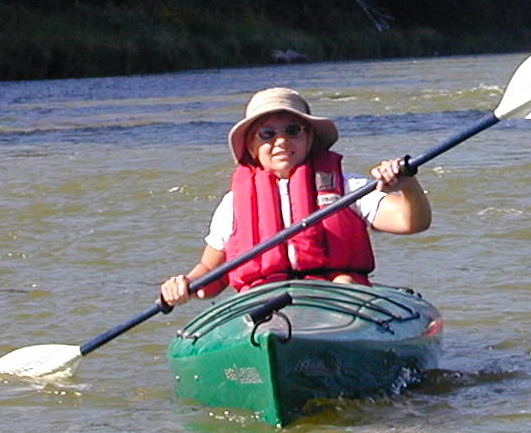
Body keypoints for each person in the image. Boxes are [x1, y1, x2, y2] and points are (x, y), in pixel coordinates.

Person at [159, 88, 431, 307]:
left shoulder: (348, 187)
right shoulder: (233, 204)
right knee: (255, 300)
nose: (281, 141)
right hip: (264, 301)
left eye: (292, 130)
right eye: (267, 134)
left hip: (337, 296)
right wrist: (185, 284)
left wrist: (408, 185)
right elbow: (210, 272)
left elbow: (411, 222)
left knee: (344, 282)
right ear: (252, 147)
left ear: (309, 139)